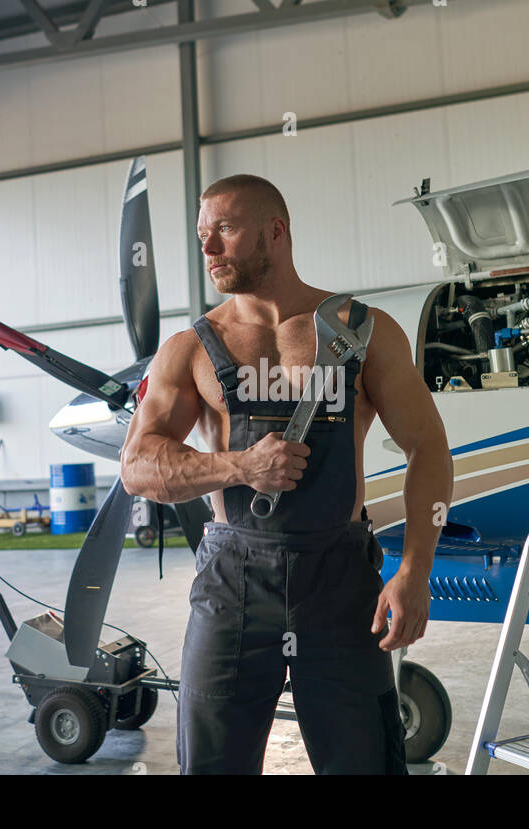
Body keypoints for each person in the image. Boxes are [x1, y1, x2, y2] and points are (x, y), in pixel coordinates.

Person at [119, 173, 453, 774]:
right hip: (232, 581)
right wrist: (240, 466)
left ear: (276, 231)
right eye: (201, 235)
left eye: (223, 230)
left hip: (340, 580)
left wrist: (415, 571)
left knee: (365, 764)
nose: (208, 249)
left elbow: (428, 449)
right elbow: (138, 466)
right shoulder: (191, 348)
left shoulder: (366, 332)